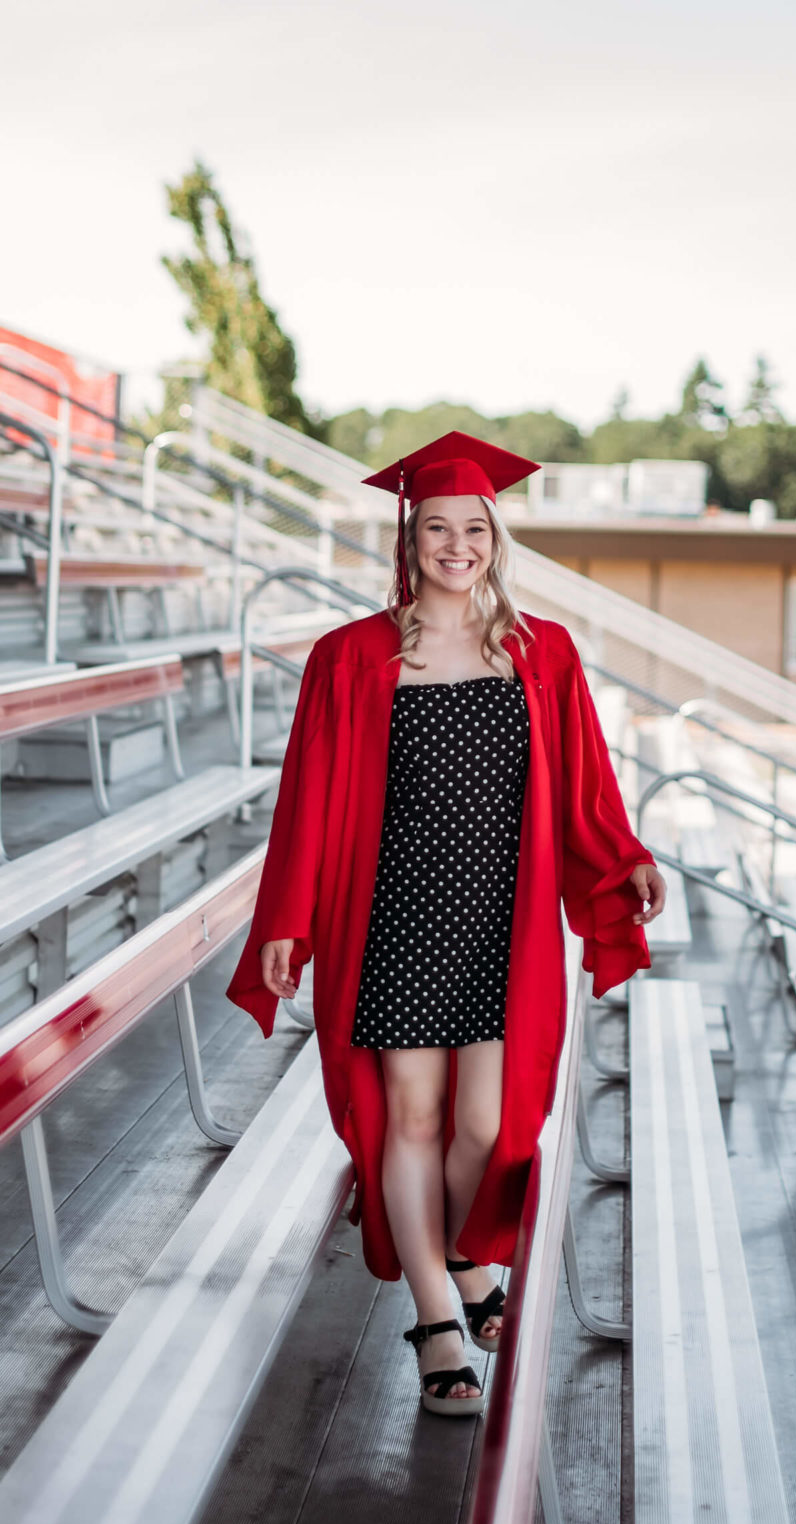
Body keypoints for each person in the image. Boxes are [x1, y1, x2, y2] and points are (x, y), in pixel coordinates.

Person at [226, 431, 666, 1417]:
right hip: (391, 919)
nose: (456, 545)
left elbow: (587, 785)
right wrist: (289, 917)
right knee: (414, 1119)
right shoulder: (350, 658)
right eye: (437, 527)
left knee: (487, 1124)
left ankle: (469, 1253)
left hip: (499, 925)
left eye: (473, 528)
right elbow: (304, 799)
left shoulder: (542, 653)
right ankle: (436, 1315)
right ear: (409, 534)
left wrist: (624, 854)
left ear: (495, 537)